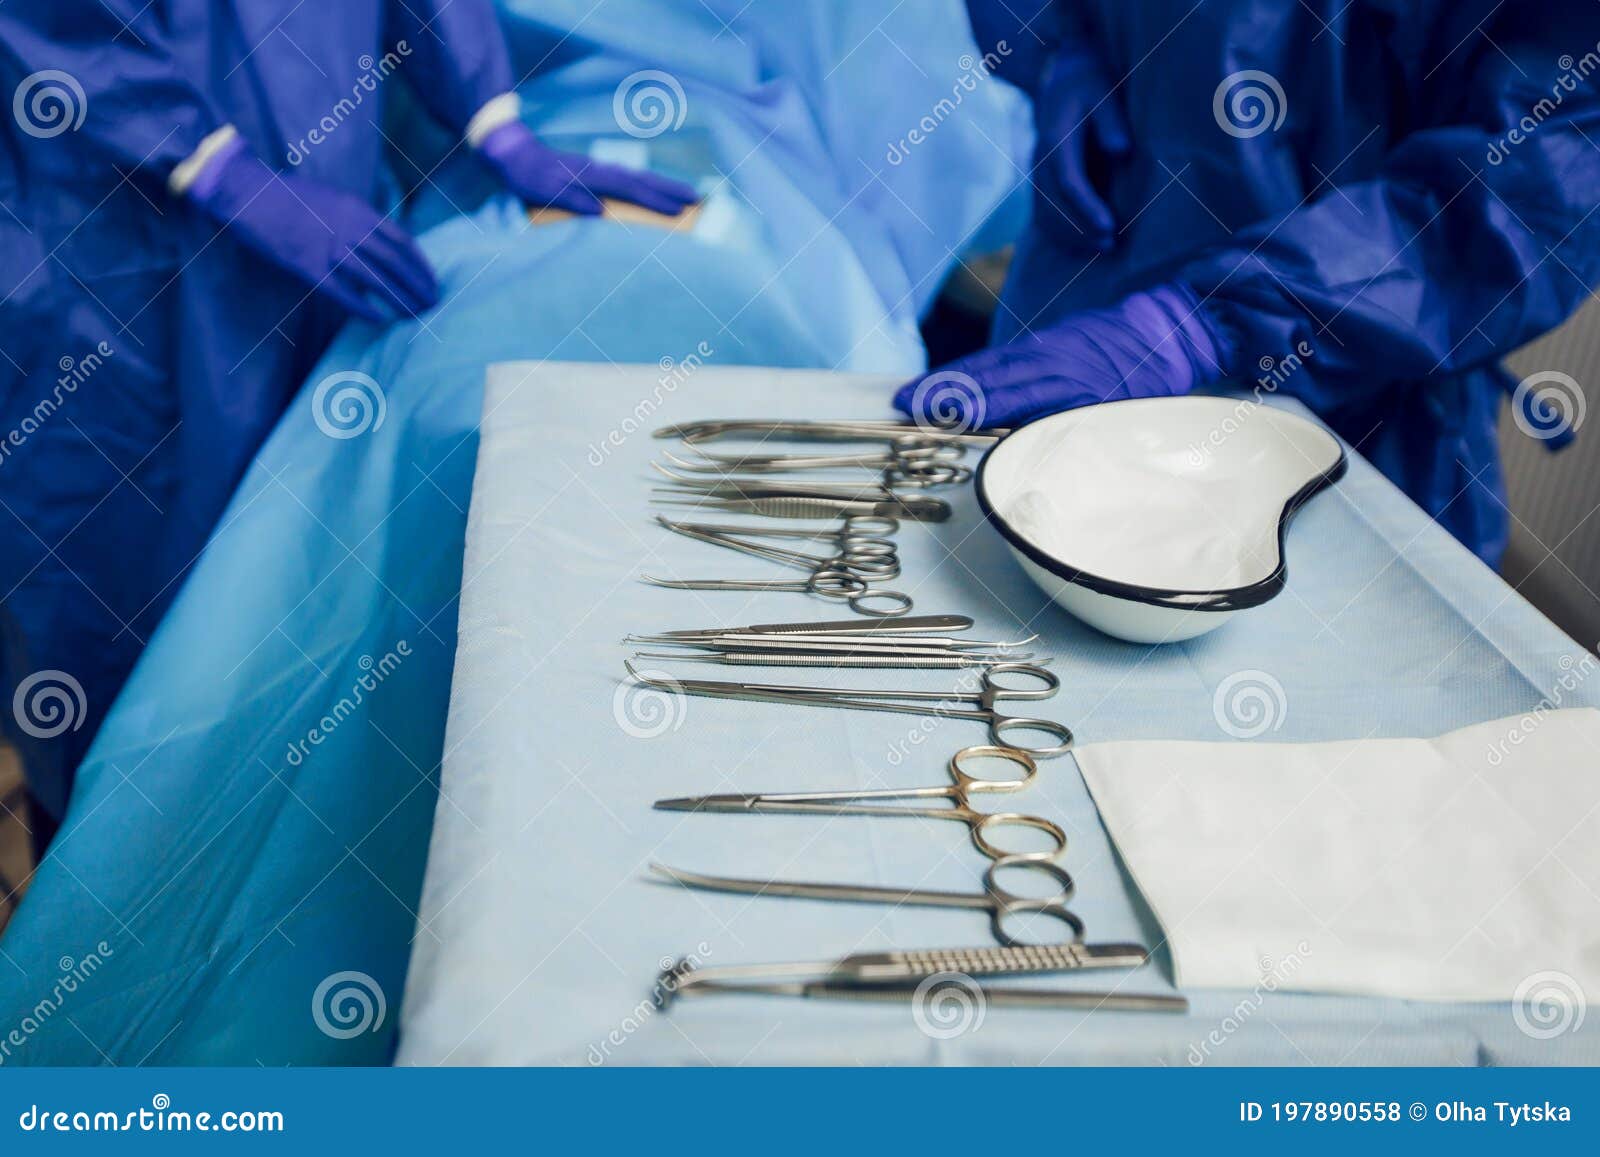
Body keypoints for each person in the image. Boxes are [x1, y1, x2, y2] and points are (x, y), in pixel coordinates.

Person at [0, 0, 694, 844]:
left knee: (289, 601)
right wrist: (218, 167)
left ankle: (235, 865)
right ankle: (86, 884)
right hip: (116, 269)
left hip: (326, 232)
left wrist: (491, 116)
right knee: (115, 610)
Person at [898, 0, 1600, 567]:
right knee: (1000, 559)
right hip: (1090, 280)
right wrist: (1062, 43)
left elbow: (1535, 188)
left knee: (1301, 649)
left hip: (1352, 361)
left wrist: (1219, 324)